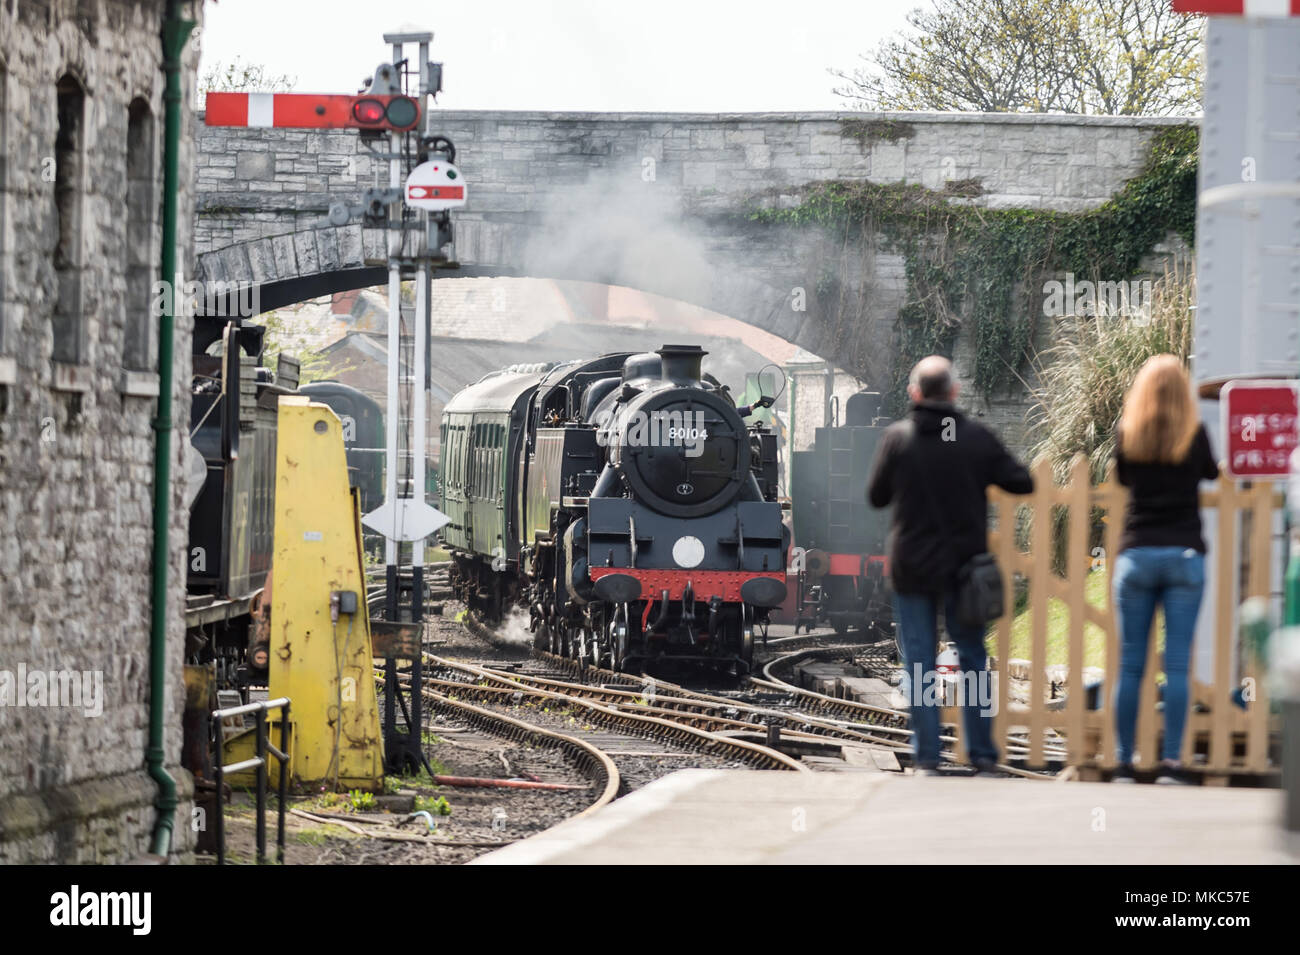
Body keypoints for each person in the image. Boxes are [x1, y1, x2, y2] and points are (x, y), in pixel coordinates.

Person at [867, 356, 1033, 775]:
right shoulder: (976, 438)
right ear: (955, 392)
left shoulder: (898, 438)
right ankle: (982, 755)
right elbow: (1023, 482)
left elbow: (877, 497)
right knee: (974, 658)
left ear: (915, 393)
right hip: (965, 567)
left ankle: (927, 758)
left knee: (919, 663)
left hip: (913, 567)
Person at [1110, 355, 1218, 785]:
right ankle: (1172, 763)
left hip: (1136, 555)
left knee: (1131, 666)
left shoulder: (1128, 434)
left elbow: (1121, 479)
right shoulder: (1194, 435)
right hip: (1184, 557)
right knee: (1176, 666)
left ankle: (1123, 761)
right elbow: (1211, 473)